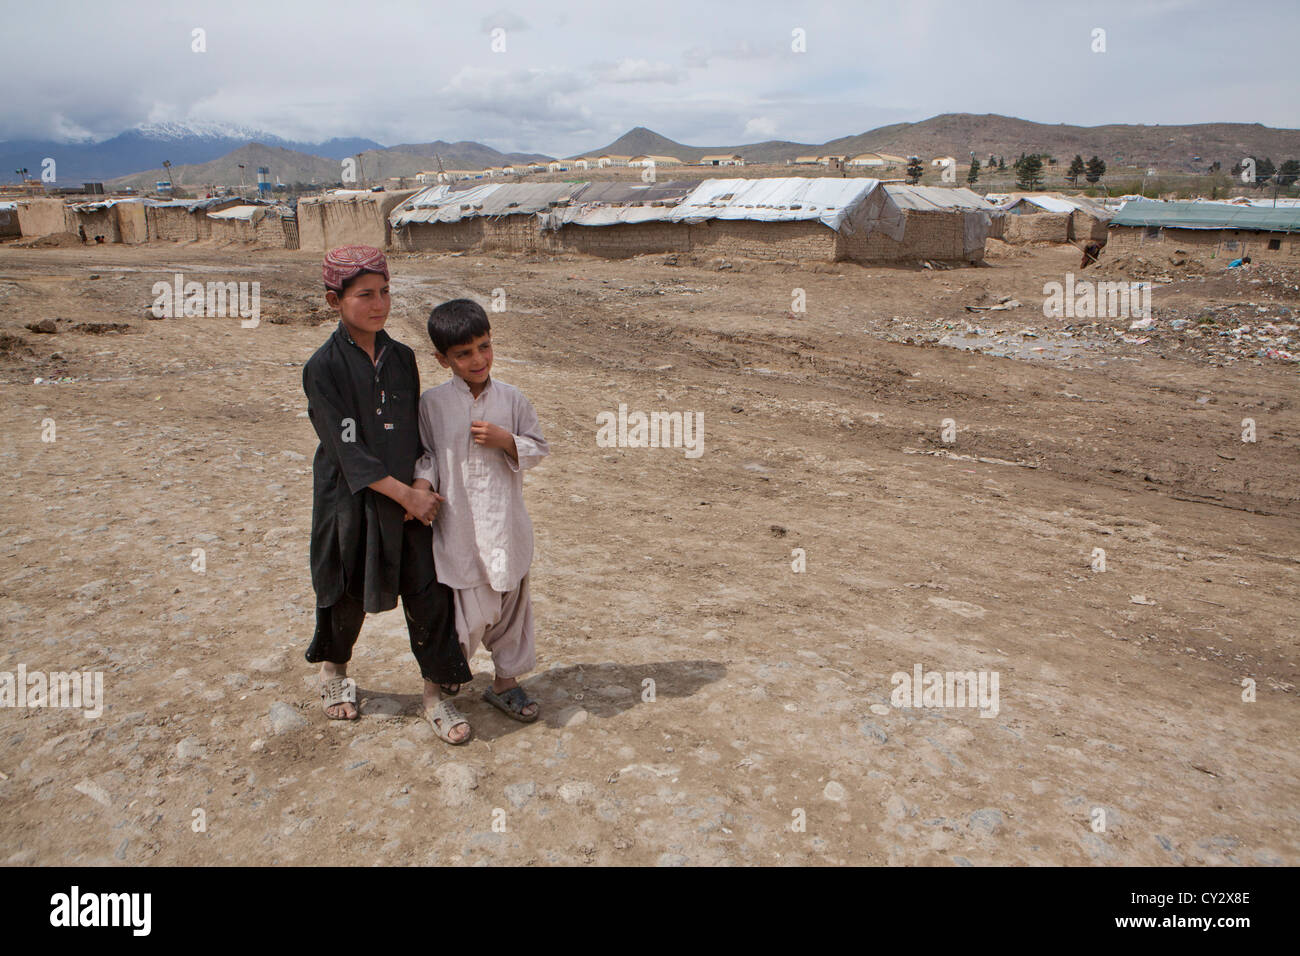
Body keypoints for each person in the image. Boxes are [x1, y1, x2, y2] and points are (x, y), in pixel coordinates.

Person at [302, 246, 473, 744]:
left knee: (429, 590)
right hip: (351, 501)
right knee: (344, 589)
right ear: (335, 300)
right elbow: (346, 450)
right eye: (364, 295)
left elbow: (416, 434)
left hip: (409, 501)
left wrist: (421, 485)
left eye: (385, 292)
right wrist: (404, 495)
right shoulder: (323, 368)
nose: (379, 304)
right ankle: (334, 673)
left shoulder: (402, 358)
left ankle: (435, 696)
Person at [414, 299, 549, 729]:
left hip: (507, 529)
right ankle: (435, 694)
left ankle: (505, 683)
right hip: (460, 531)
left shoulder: (512, 399)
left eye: (484, 346)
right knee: (464, 617)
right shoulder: (432, 404)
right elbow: (426, 455)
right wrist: (422, 484)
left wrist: (507, 440)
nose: (478, 359)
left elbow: (537, 447)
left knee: (511, 610)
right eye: (464, 353)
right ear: (442, 359)